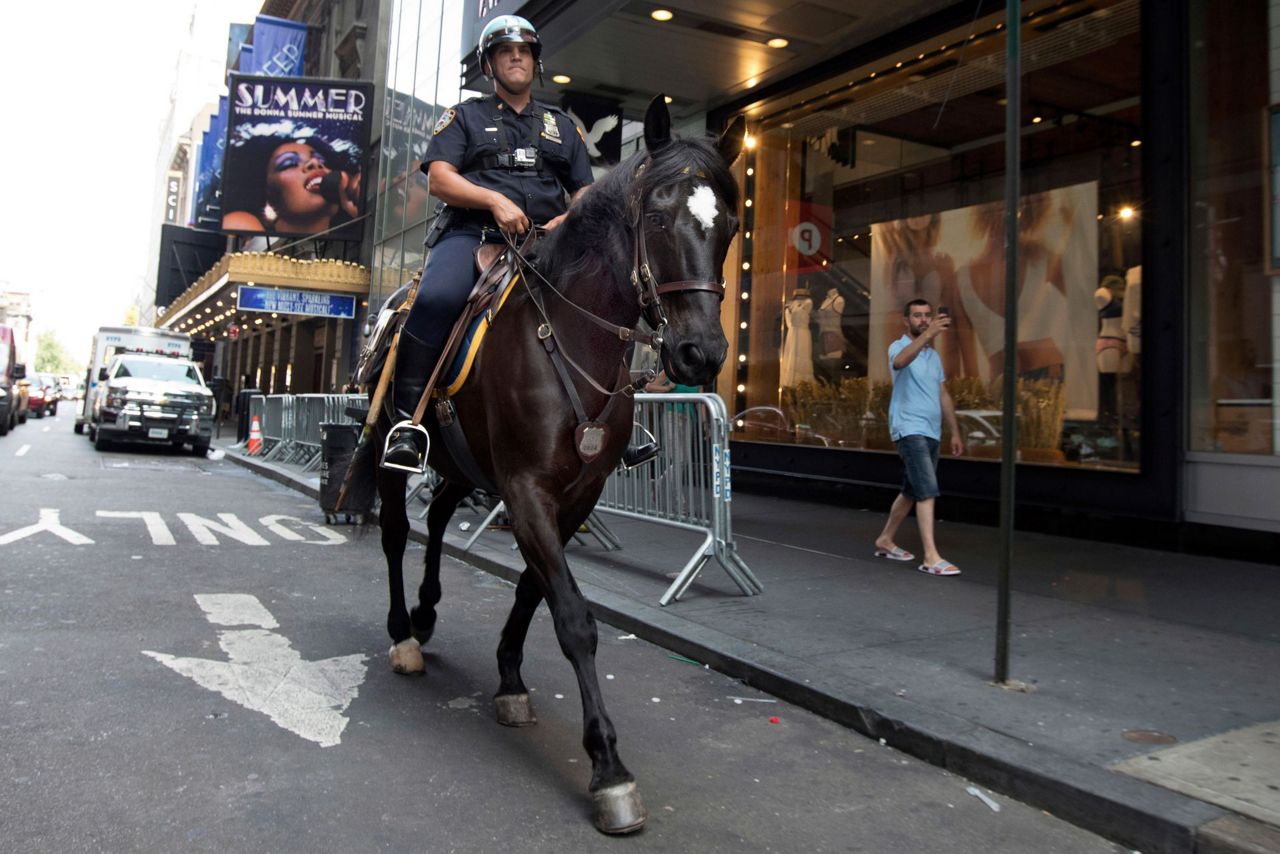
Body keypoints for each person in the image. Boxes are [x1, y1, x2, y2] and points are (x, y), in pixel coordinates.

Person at [382, 14, 655, 472]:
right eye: (505, 51)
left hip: (548, 242)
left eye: (524, 51)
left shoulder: (561, 126)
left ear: (534, 62)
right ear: (490, 66)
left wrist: (570, 218)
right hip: (473, 235)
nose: (516, 57)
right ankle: (408, 423)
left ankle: (616, 423)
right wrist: (493, 200)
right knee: (435, 298)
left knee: (609, 299)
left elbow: (584, 189)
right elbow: (441, 179)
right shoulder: (463, 117)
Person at [873, 298, 965, 576]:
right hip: (908, 428)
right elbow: (900, 363)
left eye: (927, 315)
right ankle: (931, 557)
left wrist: (955, 431)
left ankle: (885, 540)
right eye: (917, 316)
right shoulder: (899, 346)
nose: (923, 320)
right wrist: (929, 334)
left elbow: (943, 394)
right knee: (927, 488)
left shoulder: (933, 357)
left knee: (912, 491)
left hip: (931, 430)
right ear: (906, 321)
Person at [222, 126, 363, 235]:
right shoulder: (243, 225)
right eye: (289, 163)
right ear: (268, 194)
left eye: (322, 161)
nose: (315, 162)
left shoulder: (354, 221)